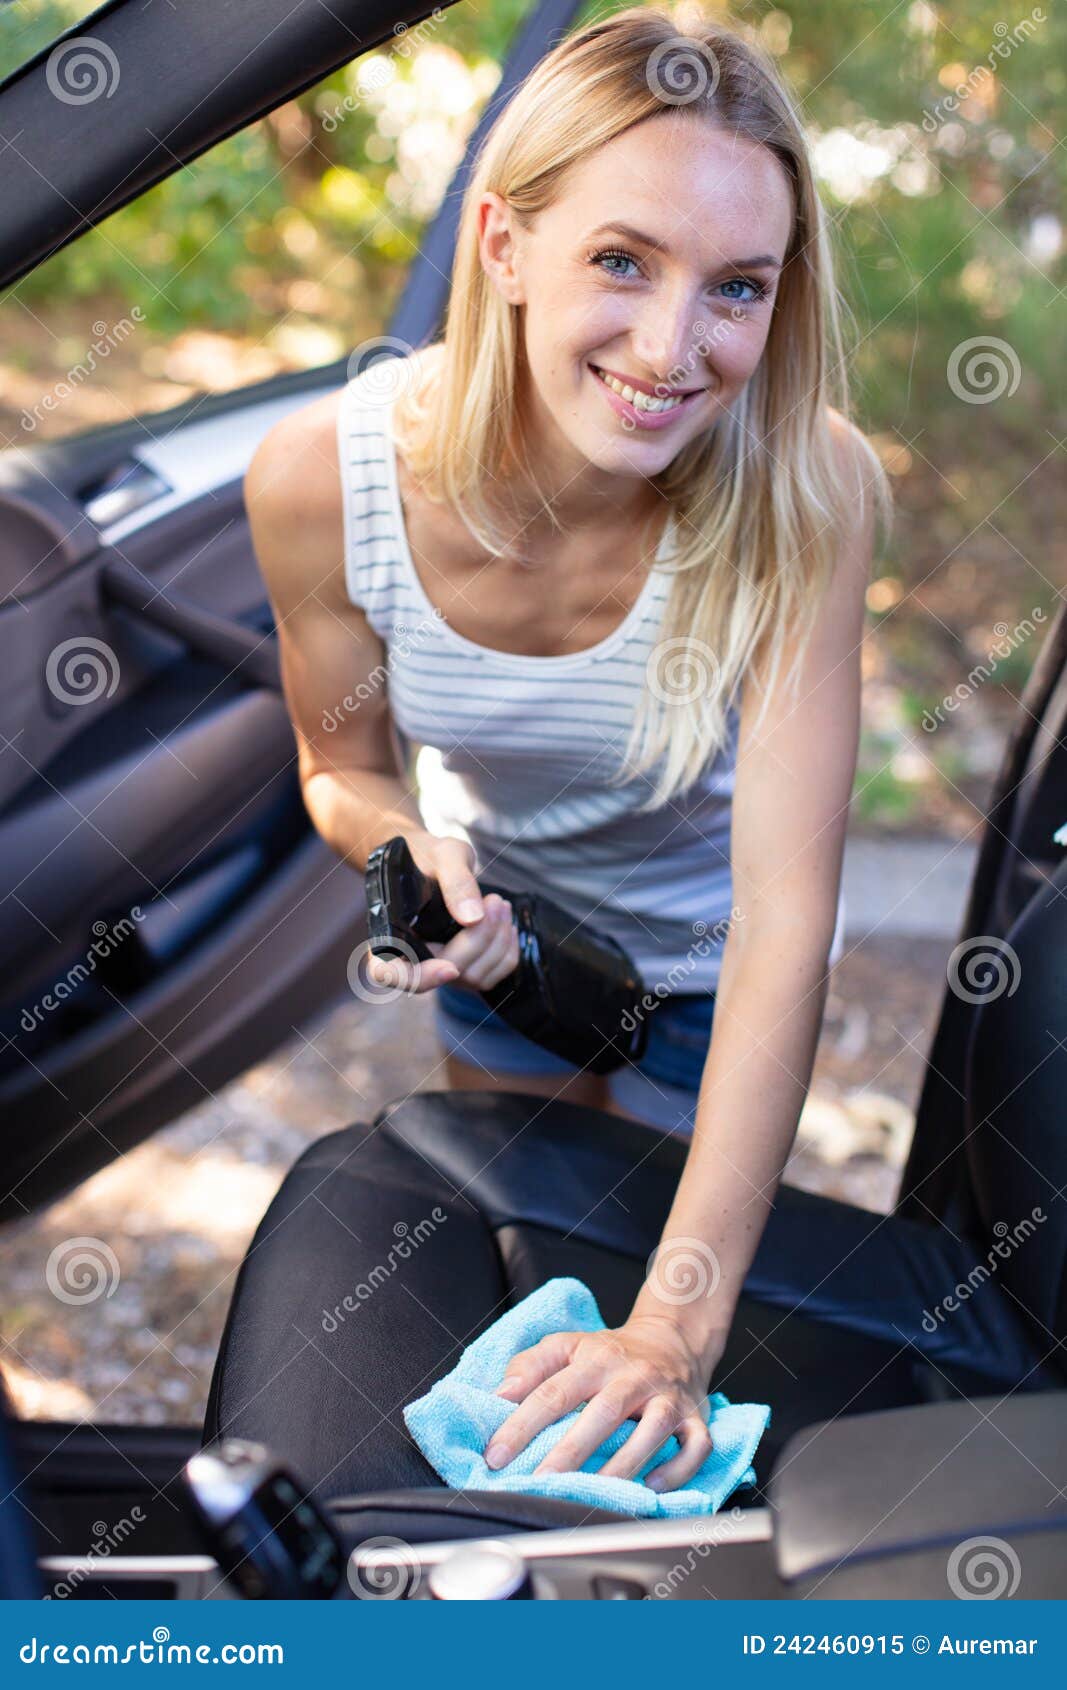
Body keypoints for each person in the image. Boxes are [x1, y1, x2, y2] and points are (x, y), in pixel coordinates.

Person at [244, 6, 891, 1496]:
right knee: (523, 1305)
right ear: (502, 243)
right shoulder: (323, 483)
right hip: (508, 962)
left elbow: (787, 915)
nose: (674, 351)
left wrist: (678, 1326)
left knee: (638, 1346)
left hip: (706, 983)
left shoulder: (810, 488)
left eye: (737, 287)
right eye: (622, 259)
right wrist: (401, 848)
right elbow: (340, 768)